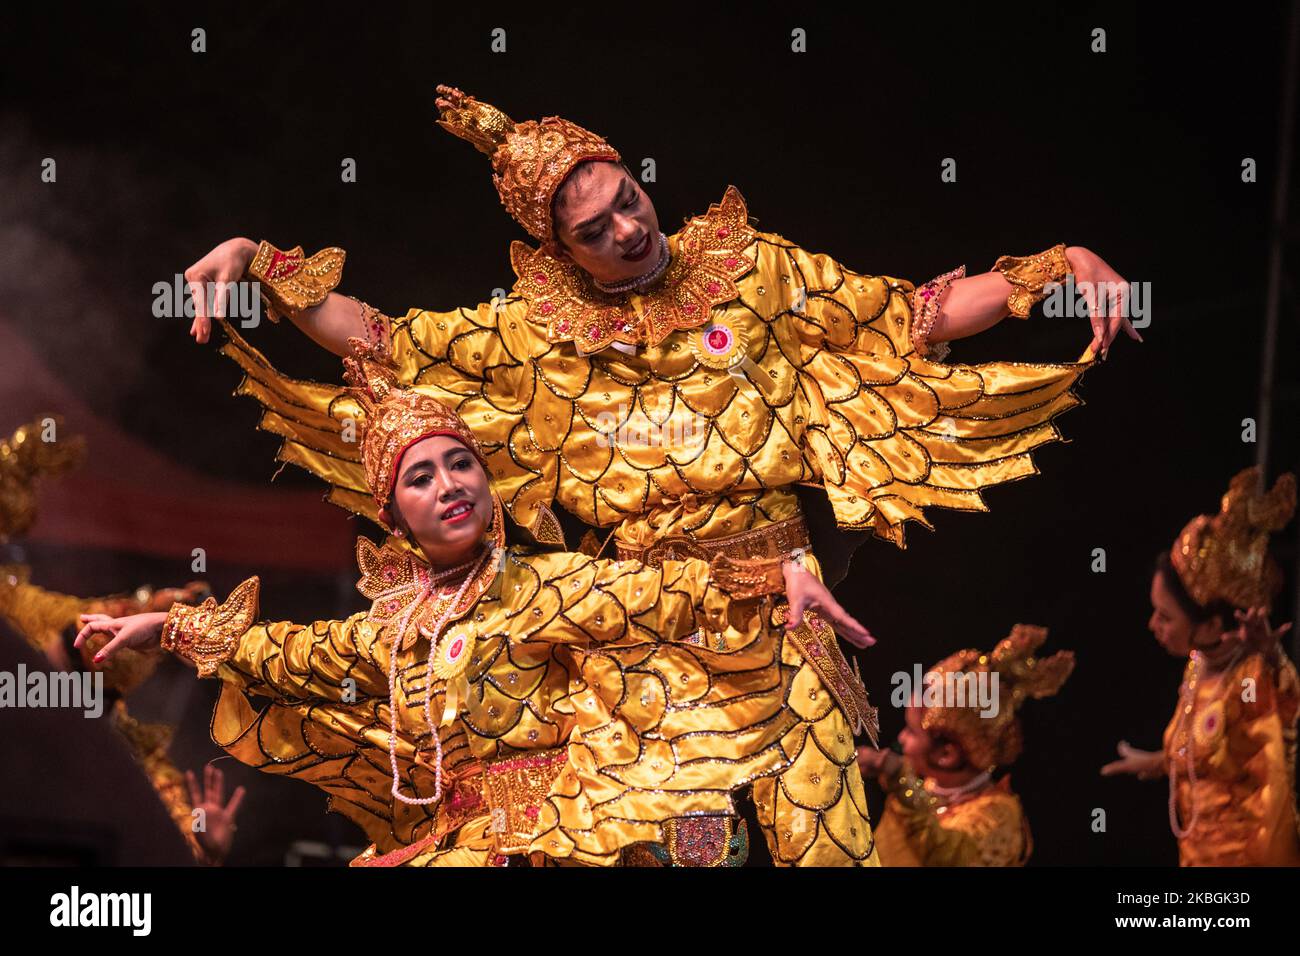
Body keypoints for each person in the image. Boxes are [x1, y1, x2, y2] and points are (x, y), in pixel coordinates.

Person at [179, 85, 1138, 863]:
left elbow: (912, 315)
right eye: (593, 231)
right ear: (560, 249)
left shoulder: (753, 273)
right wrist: (255, 262)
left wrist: (1054, 268)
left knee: (827, 841)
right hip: (639, 635)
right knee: (679, 853)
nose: (628, 231)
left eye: (627, 199)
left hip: (782, 613)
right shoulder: (528, 337)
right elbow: (377, 339)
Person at [76, 349, 875, 866]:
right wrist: (165, 626)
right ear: (394, 516)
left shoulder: (547, 586)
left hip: (572, 827)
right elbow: (285, 655)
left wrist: (783, 573)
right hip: (463, 836)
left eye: (461, 465)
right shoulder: (389, 634)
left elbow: (664, 594)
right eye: (420, 478)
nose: (450, 484)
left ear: (489, 489)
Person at [1101, 467, 1300, 866]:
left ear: (1211, 625)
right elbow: (1208, 753)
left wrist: (1272, 659)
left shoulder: (1251, 677)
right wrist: (1162, 761)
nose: (1152, 626)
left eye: (1165, 617)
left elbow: (1288, 719)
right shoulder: (1197, 664)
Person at [857, 624, 1072, 866]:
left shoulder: (999, 816)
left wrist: (898, 779)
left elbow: (949, 855)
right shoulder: (922, 785)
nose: (902, 739)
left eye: (911, 731)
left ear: (946, 754)